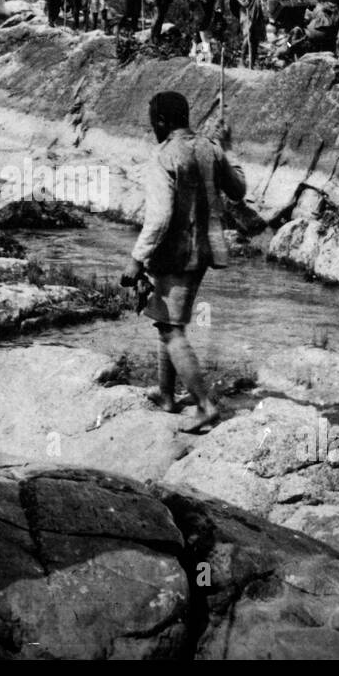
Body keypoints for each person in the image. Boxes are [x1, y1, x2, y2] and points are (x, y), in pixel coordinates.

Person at [121, 92, 246, 435]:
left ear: (161, 121)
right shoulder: (211, 148)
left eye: (153, 121)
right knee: (166, 321)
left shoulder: (163, 156)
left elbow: (159, 218)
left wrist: (136, 260)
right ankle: (165, 396)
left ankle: (205, 405)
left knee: (172, 330)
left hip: (173, 254)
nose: (152, 127)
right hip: (203, 253)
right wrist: (228, 146)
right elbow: (239, 190)